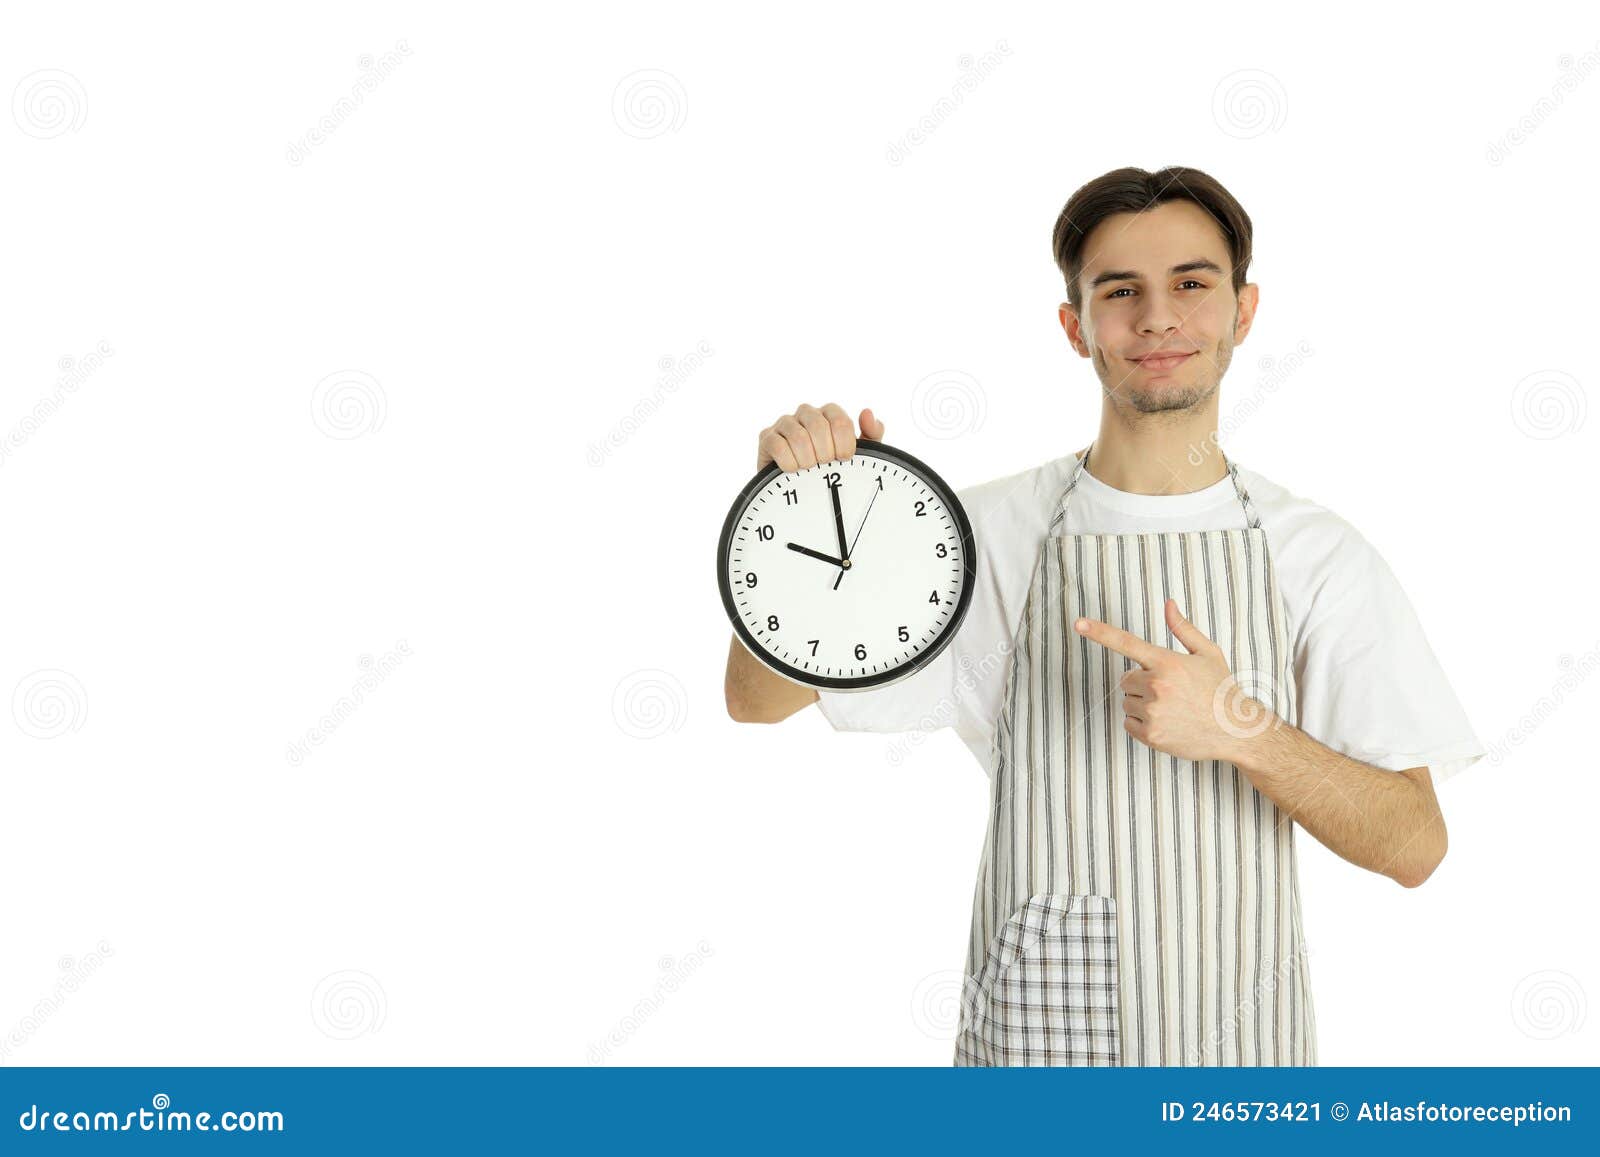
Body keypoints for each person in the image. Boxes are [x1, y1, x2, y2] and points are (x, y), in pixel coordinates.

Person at [723, 165, 1484, 1067]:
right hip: (1033, 1054)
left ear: (1243, 313)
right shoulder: (978, 535)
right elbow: (757, 698)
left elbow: (1415, 845)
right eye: (1120, 291)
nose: (1158, 317)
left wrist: (1243, 728)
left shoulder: (1318, 555)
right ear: (1075, 326)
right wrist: (804, 511)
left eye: (1192, 285)